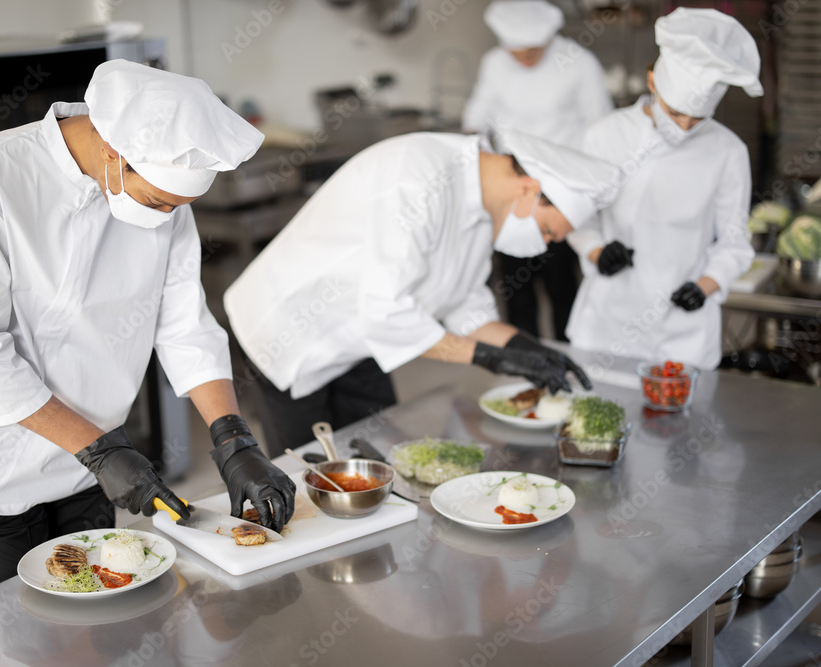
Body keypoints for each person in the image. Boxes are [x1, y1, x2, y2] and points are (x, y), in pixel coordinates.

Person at [0, 60, 296, 595]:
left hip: (99, 460)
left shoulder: (161, 188)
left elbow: (185, 324)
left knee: (100, 604)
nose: (168, 216)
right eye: (158, 202)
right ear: (115, 152)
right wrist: (99, 449)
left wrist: (233, 440)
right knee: (16, 625)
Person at [224, 129, 620, 457]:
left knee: (375, 455)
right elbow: (387, 314)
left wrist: (531, 350)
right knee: (311, 470)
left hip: (360, 340)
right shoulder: (419, 179)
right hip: (291, 332)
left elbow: (466, 306)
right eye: (549, 231)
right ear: (530, 188)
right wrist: (490, 359)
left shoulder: (485, 203)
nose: (543, 244)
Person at [566, 8, 761, 369]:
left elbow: (734, 242)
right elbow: (575, 215)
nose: (684, 127)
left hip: (683, 328)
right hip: (609, 318)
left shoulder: (728, 151)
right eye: (674, 114)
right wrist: (595, 251)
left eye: (698, 119)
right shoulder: (604, 135)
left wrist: (706, 285)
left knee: (679, 418)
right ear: (652, 81)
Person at [462, 0, 614, 344]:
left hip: (560, 195)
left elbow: (601, 126)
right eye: (516, 52)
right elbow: (477, 114)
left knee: (562, 284)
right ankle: (524, 360)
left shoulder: (579, 62)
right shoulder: (494, 64)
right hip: (511, 192)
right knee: (516, 286)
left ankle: (569, 354)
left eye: (532, 51)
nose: (524, 59)